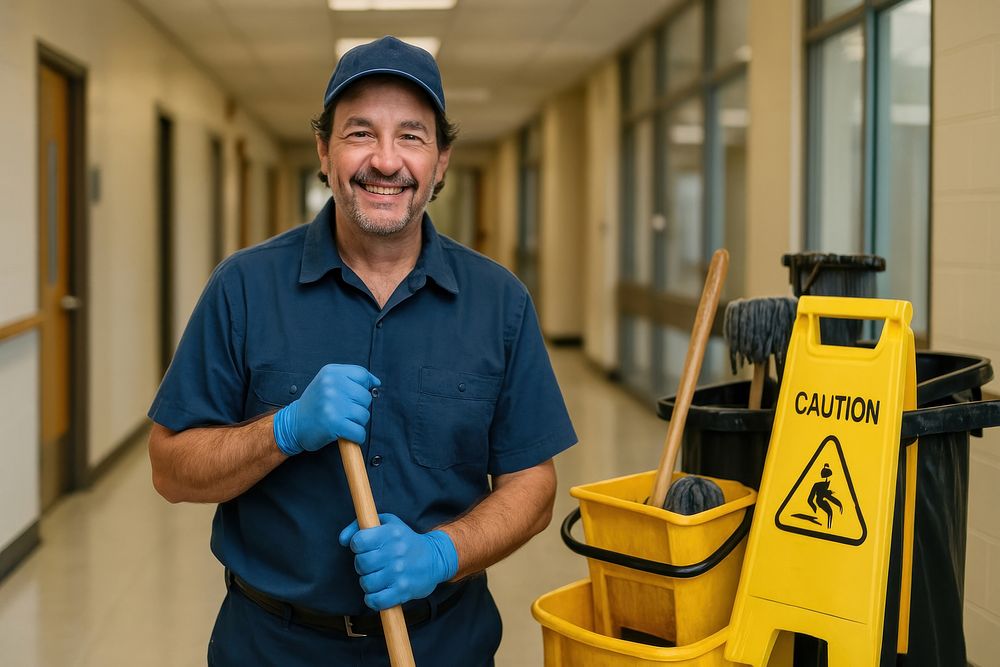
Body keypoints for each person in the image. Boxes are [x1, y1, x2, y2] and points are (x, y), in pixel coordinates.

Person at [147, 36, 577, 666]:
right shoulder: (244, 287)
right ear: (324, 151)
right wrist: (285, 430)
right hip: (273, 647)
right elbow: (170, 468)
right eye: (359, 133)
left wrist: (442, 554)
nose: (385, 160)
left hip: (444, 644)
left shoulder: (498, 301)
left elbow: (534, 484)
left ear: (441, 160)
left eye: (411, 135)